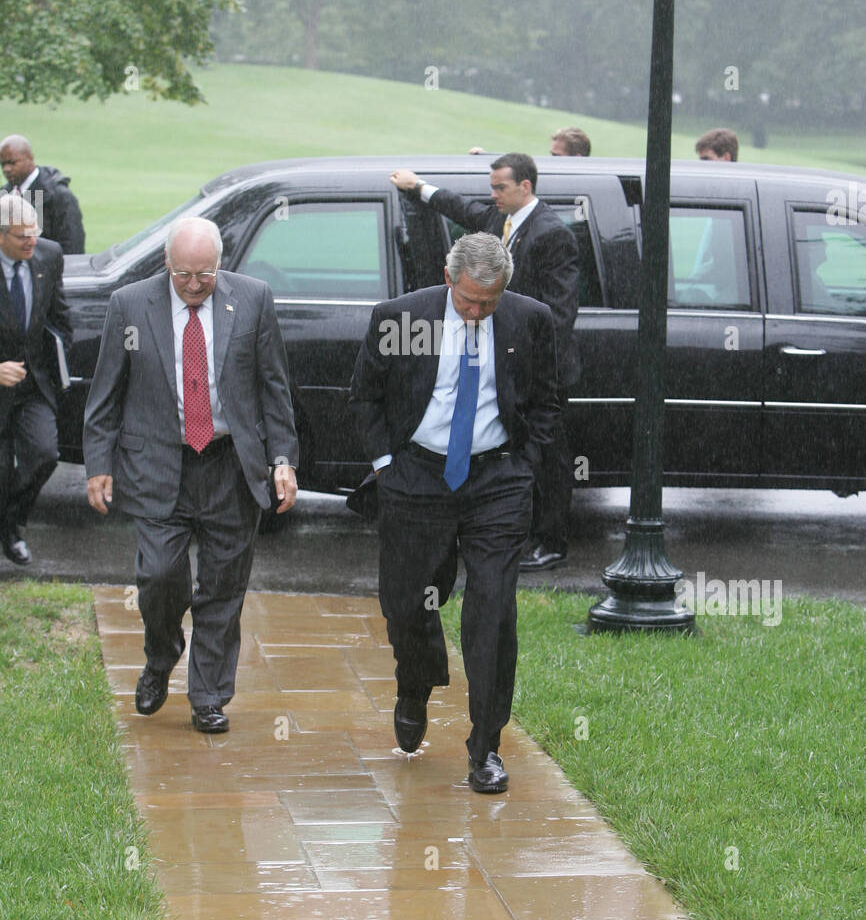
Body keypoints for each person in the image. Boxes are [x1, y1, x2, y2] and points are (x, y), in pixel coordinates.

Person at [350, 232, 558, 793]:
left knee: (492, 610)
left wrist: (526, 465)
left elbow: (547, 401)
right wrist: (387, 464)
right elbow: (364, 396)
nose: (476, 311)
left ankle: (485, 746)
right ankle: (414, 682)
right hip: (416, 474)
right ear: (449, 278)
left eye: (488, 303)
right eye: (467, 300)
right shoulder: (401, 317)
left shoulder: (529, 321)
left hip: (497, 481)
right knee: (407, 601)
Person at [84, 216, 298, 734]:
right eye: (185, 275)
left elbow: (274, 388)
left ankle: (208, 696)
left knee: (223, 587)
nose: (196, 284)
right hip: (159, 465)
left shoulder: (252, 299)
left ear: (219, 265)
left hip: (231, 465)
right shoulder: (131, 305)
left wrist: (283, 459)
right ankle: (162, 655)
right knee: (158, 576)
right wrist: (98, 466)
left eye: (205, 273)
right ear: (166, 264)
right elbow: (105, 393)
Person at [390, 153, 580, 570]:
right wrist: (419, 187)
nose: (492, 195)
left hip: (539, 370)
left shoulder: (552, 234)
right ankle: (519, 529)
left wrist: (522, 359)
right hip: (510, 364)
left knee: (549, 455)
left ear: (525, 187)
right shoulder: (502, 222)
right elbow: (463, 209)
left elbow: (560, 315)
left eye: (500, 188)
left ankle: (552, 540)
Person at [0, 195, 72, 566]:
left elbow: (58, 314)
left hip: (33, 386)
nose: (31, 241)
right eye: (21, 236)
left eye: (35, 232)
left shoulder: (48, 255)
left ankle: (10, 523)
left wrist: (61, 358)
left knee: (44, 455)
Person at [0, 135, 86, 254]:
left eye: (12, 163)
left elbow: (73, 248)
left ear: (30, 158)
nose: (6, 169)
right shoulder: (3, 197)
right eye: (2, 164)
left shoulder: (59, 196)